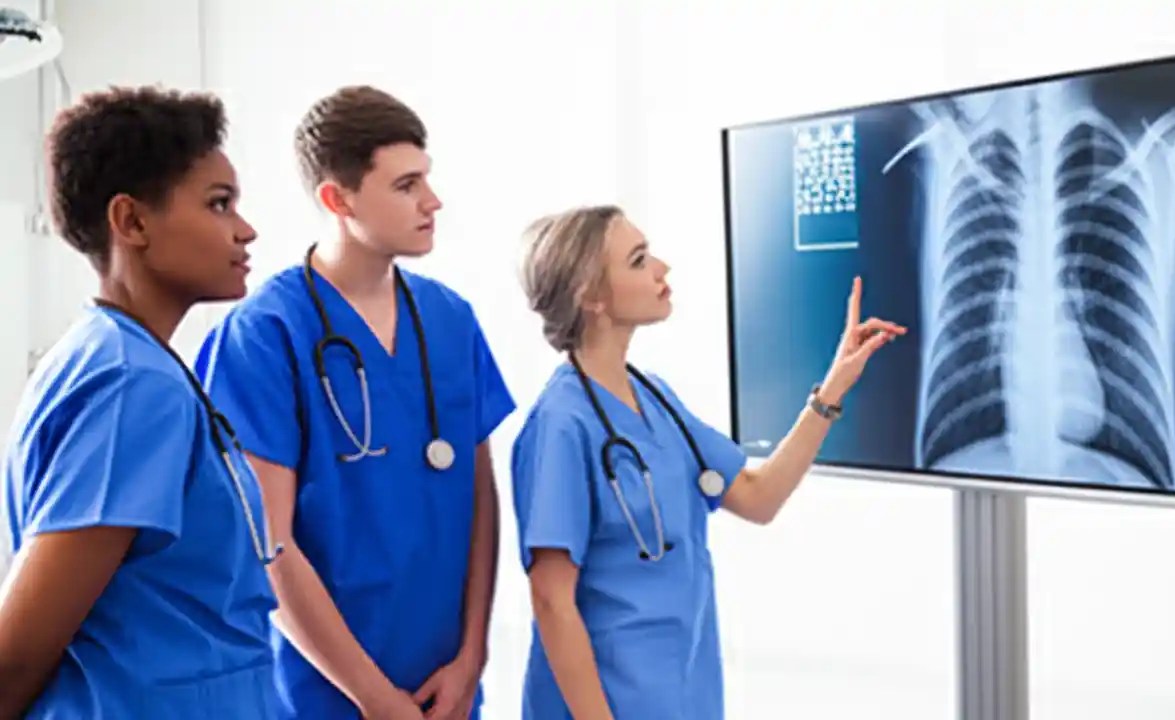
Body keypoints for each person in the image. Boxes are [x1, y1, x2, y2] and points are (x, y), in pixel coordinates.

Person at [511, 205, 906, 719]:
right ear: (591, 296)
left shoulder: (654, 398)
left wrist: (834, 386)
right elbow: (551, 602)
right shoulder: (561, 425)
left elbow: (759, 497)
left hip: (682, 696)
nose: (662, 268)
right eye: (638, 260)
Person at [195, 85, 514, 720]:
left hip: (445, 690)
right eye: (405, 185)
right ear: (336, 199)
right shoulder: (264, 335)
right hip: (324, 696)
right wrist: (374, 699)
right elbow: (269, 543)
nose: (433, 201)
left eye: (427, 178)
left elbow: (480, 499)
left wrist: (472, 659)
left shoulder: (451, 319)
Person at [0, 86, 275, 719]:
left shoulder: (124, 362)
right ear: (132, 222)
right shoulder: (133, 386)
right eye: (219, 204)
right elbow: (19, 650)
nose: (245, 228)